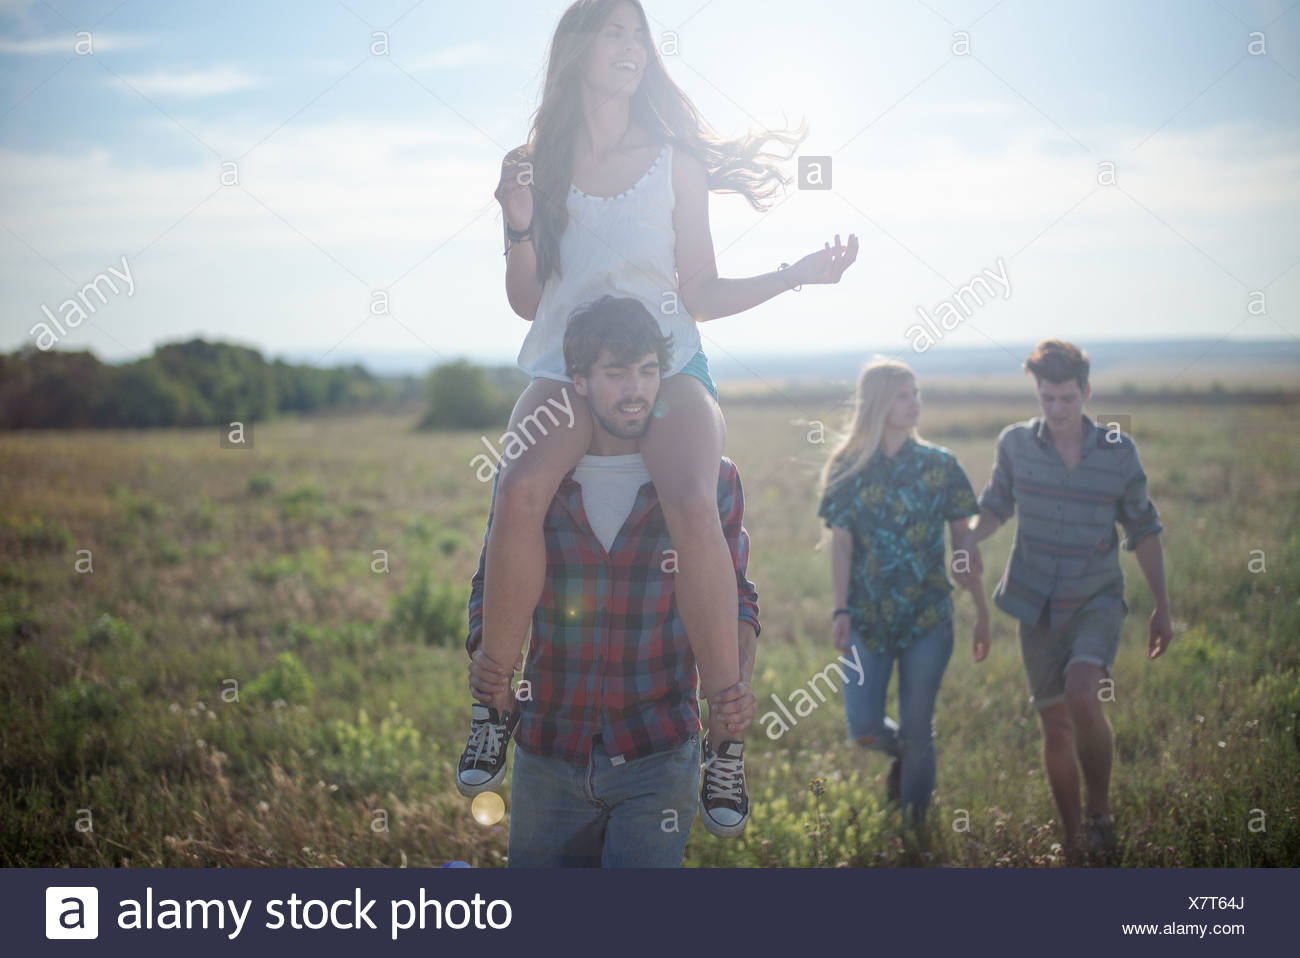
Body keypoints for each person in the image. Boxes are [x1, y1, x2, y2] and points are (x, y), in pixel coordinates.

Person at [462, 0, 857, 828]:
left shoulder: (676, 160)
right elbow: (526, 298)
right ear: (577, 48)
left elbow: (702, 291)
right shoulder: (534, 162)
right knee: (522, 481)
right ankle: (495, 703)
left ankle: (723, 735)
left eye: (640, 34)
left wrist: (793, 276)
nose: (633, 46)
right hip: (569, 368)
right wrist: (518, 222)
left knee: (690, 496)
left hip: (668, 362)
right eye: (615, 31)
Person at [461, 297, 761, 864]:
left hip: (657, 752)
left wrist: (734, 692)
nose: (636, 389)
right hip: (549, 747)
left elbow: (739, 595)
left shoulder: (708, 478)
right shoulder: (535, 477)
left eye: (648, 372)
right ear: (577, 382)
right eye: (616, 372)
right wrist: (485, 658)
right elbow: (488, 581)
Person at [966, 340, 1173, 864]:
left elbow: (1143, 529)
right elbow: (994, 506)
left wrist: (1162, 605)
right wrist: (968, 536)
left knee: (1084, 695)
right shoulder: (1014, 444)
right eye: (1046, 398)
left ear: (1085, 392)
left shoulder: (1117, 452)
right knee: (1054, 723)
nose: (1056, 410)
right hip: (1034, 602)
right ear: (1037, 393)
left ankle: (1101, 813)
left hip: (1096, 598)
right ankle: (1075, 835)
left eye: (1065, 398)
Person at [816, 359, 987, 836]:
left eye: (917, 393)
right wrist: (840, 609)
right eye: (903, 394)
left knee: (919, 729)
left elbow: (962, 535)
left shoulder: (940, 465)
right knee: (864, 728)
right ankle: (904, 755)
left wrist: (977, 595)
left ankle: (914, 835)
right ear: (878, 402)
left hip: (928, 616)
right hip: (867, 618)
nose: (915, 403)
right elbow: (843, 543)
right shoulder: (849, 469)